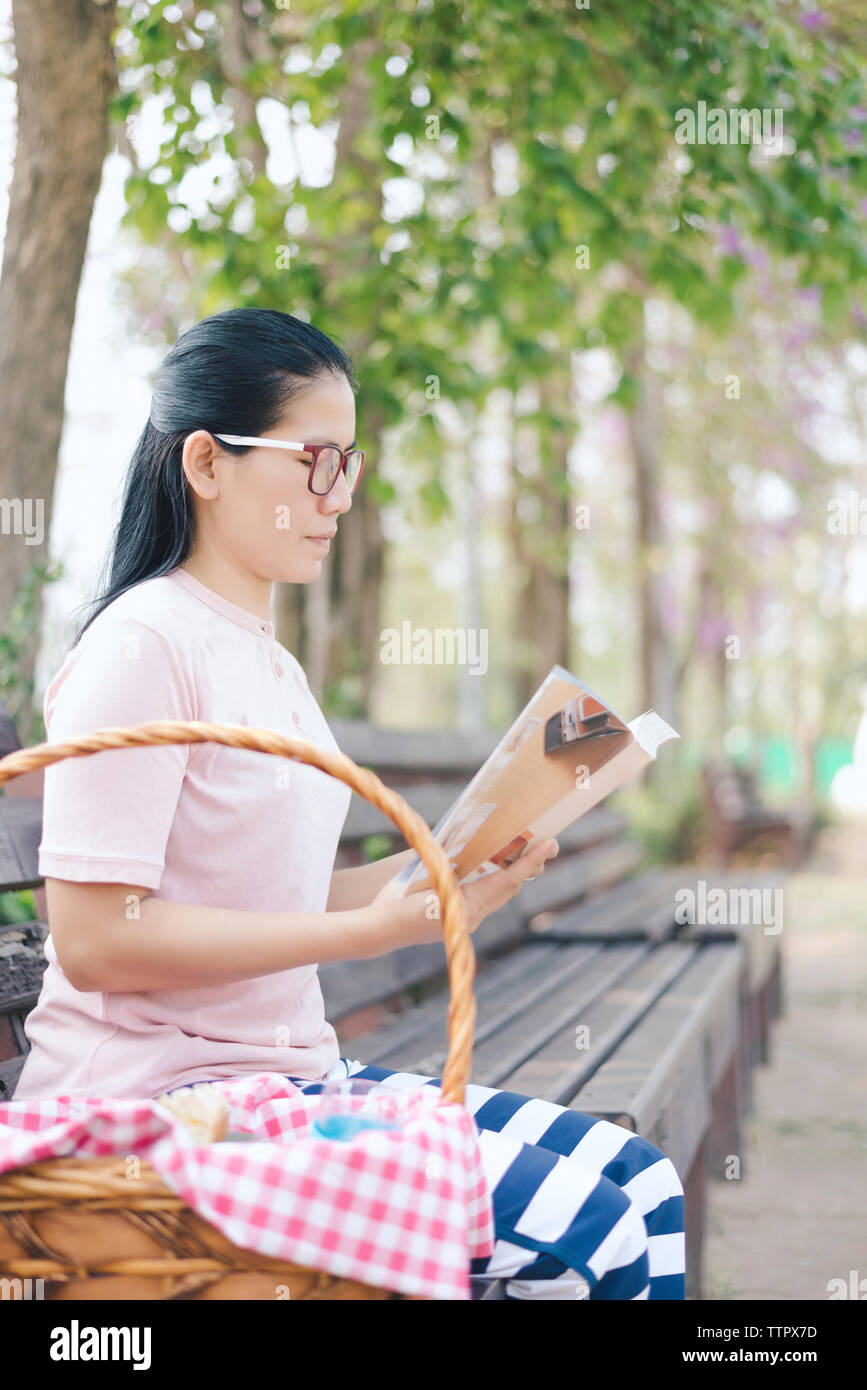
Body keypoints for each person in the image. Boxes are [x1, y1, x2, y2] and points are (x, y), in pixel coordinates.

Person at [14, 307, 685, 1299]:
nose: (339, 498)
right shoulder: (143, 644)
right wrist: (366, 935)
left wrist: (452, 873)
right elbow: (96, 938)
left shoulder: (271, 663)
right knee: (593, 1234)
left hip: (293, 1086)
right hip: (166, 1106)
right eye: (316, 462)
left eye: (350, 467)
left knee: (643, 1185)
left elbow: (289, 892)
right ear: (207, 462)